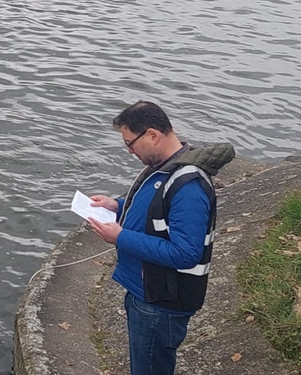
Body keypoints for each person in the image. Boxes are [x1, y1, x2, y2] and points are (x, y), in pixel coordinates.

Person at [86, 101, 234, 375]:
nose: (130, 151)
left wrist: (120, 237)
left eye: (130, 144)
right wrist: (118, 206)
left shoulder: (188, 185)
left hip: (161, 302)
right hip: (146, 292)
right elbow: (158, 211)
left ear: (153, 135)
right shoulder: (168, 166)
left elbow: (185, 253)